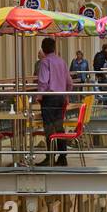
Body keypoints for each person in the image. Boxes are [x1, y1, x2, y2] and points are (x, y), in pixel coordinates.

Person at [36, 36, 74, 166]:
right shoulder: (61, 61)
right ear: (54, 48)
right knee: (59, 128)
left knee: (49, 128)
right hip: (60, 97)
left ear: (43, 48)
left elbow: (43, 81)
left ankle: (50, 157)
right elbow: (69, 82)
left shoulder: (45, 62)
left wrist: (39, 96)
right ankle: (62, 157)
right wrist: (67, 95)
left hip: (49, 97)